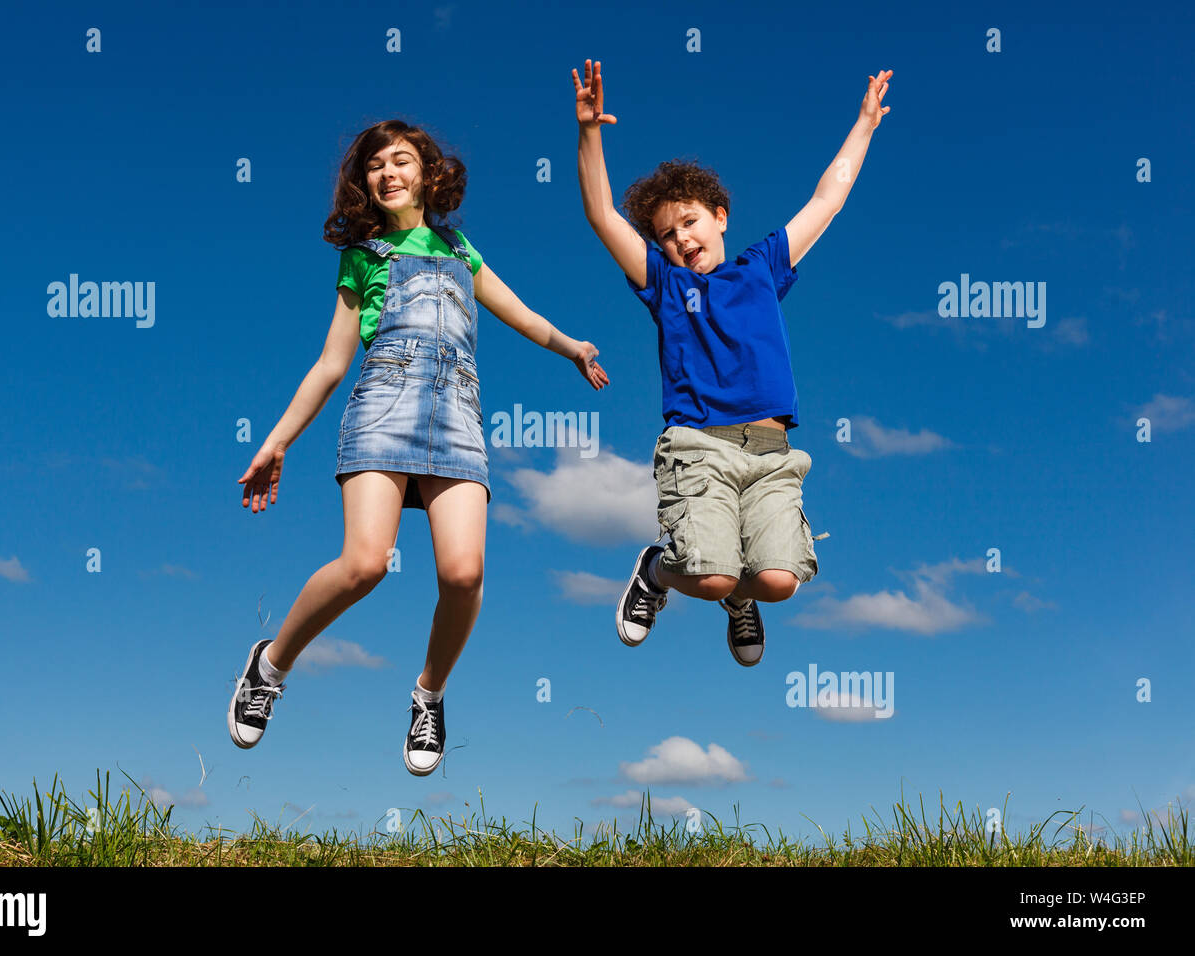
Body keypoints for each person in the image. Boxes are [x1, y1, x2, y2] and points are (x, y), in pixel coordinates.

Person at [229, 119, 609, 775]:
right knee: (366, 565)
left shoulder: (462, 251)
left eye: (401, 159)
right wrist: (277, 440)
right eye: (374, 164)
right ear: (366, 184)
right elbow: (330, 364)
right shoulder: (363, 258)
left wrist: (571, 346)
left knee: (464, 574)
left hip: (458, 412)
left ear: (430, 173)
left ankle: (428, 695)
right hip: (384, 406)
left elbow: (517, 310)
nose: (386, 171)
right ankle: (270, 665)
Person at [571, 59, 892, 666]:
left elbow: (830, 197)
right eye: (665, 234)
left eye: (689, 222)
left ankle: (739, 590)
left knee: (776, 583)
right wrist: (590, 133)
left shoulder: (763, 268)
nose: (680, 239)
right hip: (699, 447)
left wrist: (865, 125)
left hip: (771, 451)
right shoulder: (665, 284)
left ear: (720, 218)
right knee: (713, 576)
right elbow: (601, 216)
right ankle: (656, 574)